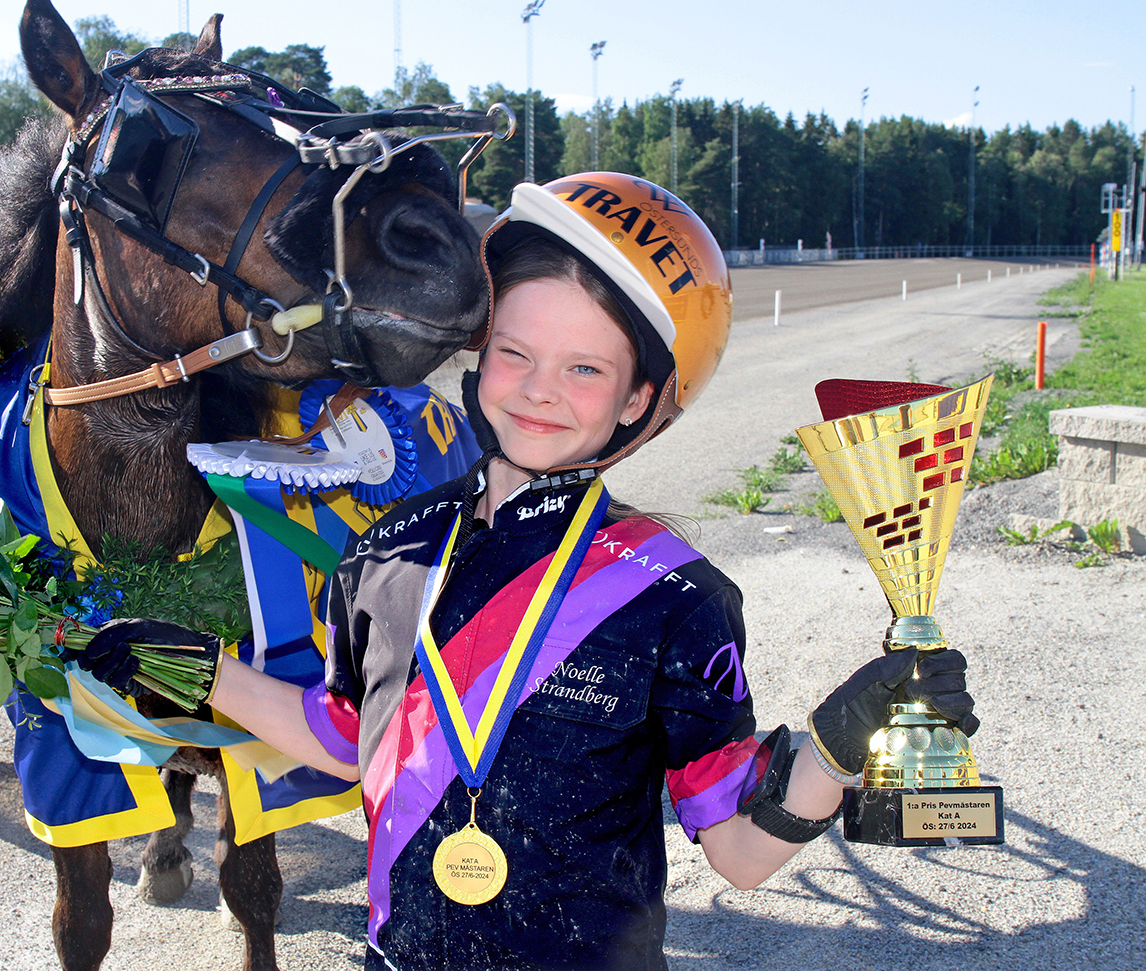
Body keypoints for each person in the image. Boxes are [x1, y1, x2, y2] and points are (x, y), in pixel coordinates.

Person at [77, 172, 979, 971]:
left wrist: (838, 741)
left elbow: (740, 853)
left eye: (585, 367)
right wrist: (188, 670)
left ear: (637, 400)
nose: (540, 388)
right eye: (516, 352)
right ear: (479, 357)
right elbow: (352, 737)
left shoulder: (675, 598)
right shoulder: (387, 553)